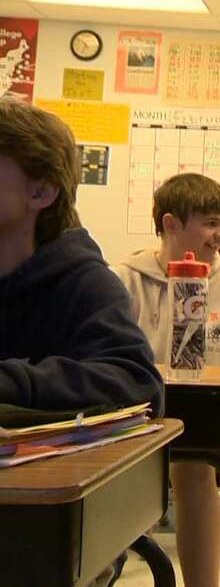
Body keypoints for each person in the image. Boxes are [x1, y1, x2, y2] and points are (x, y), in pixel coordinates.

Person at [0, 100, 163, 587]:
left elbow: (138, 384)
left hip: (35, 521)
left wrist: (12, 381)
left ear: (42, 190)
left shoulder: (85, 283)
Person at [113, 173, 220, 587]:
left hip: (200, 419)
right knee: (114, 476)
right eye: (209, 223)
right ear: (170, 224)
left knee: (197, 468)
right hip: (134, 415)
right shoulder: (125, 279)